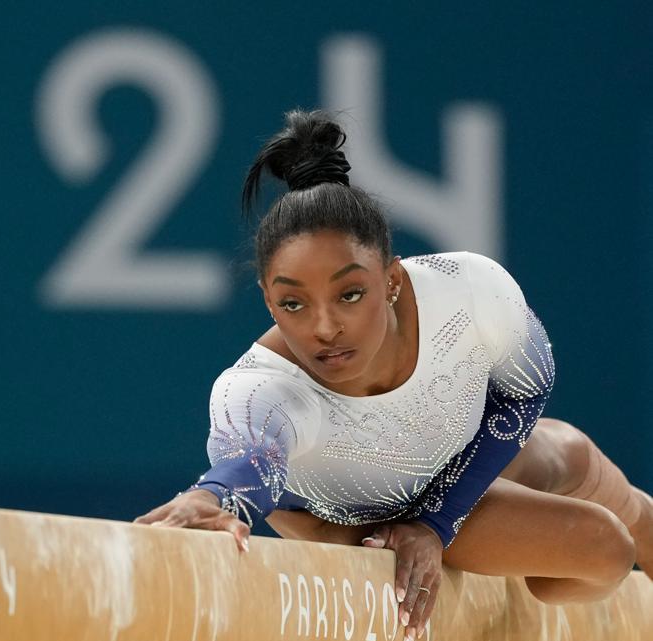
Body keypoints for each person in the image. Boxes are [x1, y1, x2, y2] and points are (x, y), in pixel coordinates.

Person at [135, 110, 653, 641]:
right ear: (268, 300)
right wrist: (215, 499)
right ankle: (505, 553)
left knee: (572, 457)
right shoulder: (262, 389)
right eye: (293, 302)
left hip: (448, 467)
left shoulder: (469, 296)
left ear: (392, 279)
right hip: (355, 521)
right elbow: (254, 459)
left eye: (350, 293)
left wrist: (436, 521)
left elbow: (523, 393)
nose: (324, 327)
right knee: (605, 550)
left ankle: (640, 514)